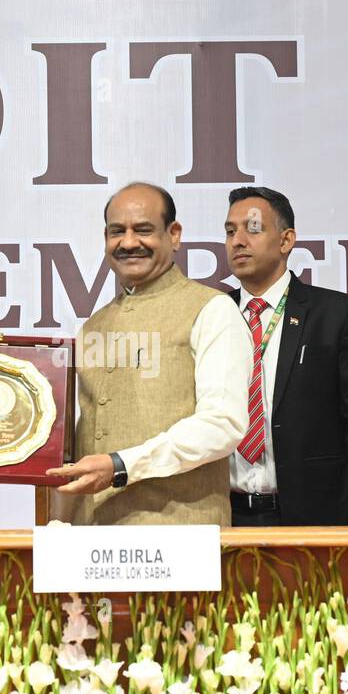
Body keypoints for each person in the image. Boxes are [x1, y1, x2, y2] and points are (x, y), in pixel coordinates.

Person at [46, 183, 253, 525]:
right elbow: (77, 446)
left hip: (178, 540)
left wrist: (120, 464)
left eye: (143, 230)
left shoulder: (212, 309)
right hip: (92, 545)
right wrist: (60, 527)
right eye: (117, 232)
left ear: (174, 235)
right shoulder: (93, 326)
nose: (128, 243)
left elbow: (222, 424)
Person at [224, 186, 348, 526]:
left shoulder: (334, 314)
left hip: (312, 518)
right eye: (230, 231)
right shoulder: (211, 315)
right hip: (227, 517)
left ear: (286, 240)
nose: (238, 240)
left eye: (252, 228)